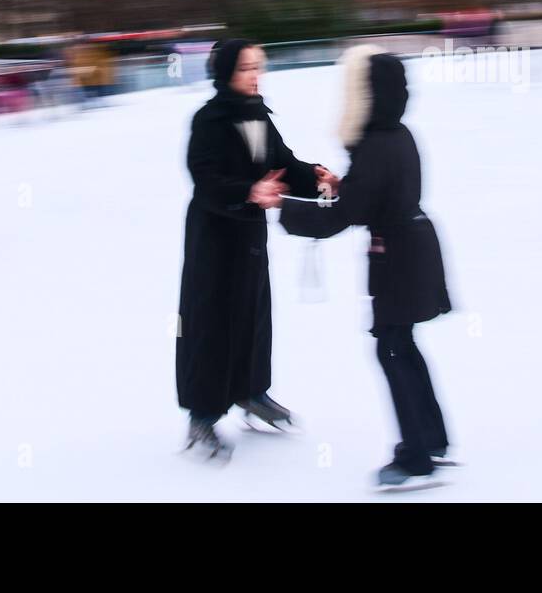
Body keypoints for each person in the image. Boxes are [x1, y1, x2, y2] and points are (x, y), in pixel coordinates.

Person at [275, 45, 453, 489]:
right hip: (413, 248)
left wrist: (282, 207)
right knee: (402, 345)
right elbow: (366, 197)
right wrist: (344, 186)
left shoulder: (375, 144)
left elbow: (341, 217)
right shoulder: (399, 134)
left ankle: (416, 458)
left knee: (392, 348)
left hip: (398, 257)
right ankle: (430, 440)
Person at [176, 38, 337, 460]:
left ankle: (251, 392)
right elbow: (205, 180)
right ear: (227, 71)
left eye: (257, 66)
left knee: (253, 317)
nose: (255, 74)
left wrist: (317, 177)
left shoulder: (259, 116)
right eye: (246, 67)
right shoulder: (208, 120)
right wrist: (248, 191)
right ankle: (202, 414)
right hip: (214, 241)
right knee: (211, 325)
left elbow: (283, 164)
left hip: (248, 239)